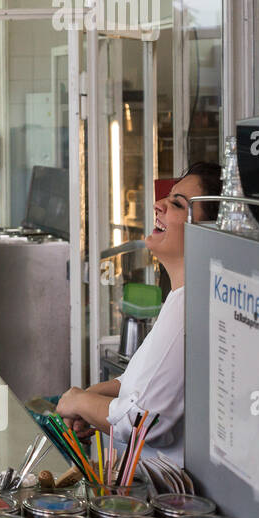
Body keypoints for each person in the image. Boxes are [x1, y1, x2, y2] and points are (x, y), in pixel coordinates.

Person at [56, 161, 221, 467]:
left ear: (207, 233)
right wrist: (90, 400)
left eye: (176, 204)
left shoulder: (191, 311)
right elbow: (137, 381)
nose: (158, 205)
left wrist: (78, 401)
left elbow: (142, 423)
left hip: (167, 500)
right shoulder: (180, 299)